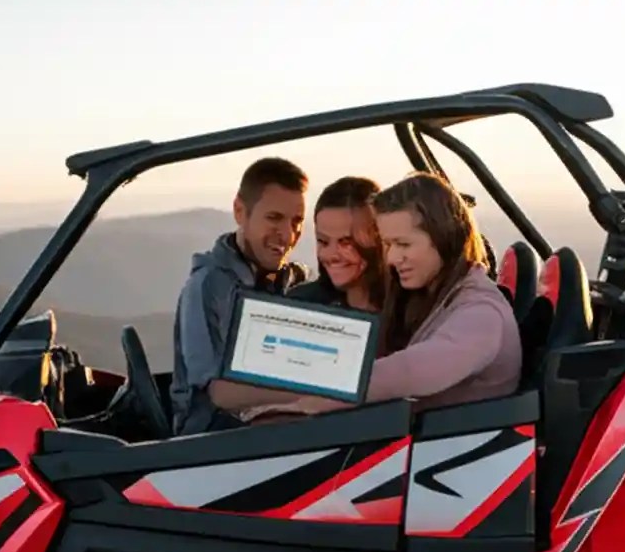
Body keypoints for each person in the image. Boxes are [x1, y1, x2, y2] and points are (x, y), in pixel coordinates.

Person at [243, 171, 522, 420]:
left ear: (443, 237)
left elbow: (411, 372)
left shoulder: (480, 313)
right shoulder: (439, 299)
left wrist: (310, 402)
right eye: (387, 245)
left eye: (403, 244)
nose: (392, 258)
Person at [169, 157, 312, 435]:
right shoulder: (207, 286)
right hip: (211, 441)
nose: (287, 234)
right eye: (274, 218)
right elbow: (218, 393)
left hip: (272, 421)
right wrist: (318, 389)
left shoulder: (298, 280)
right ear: (239, 212)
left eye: (297, 221)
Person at [287, 176, 386, 313]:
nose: (332, 255)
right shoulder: (300, 303)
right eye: (323, 242)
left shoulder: (412, 311)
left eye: (346, 242)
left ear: (380, 237)